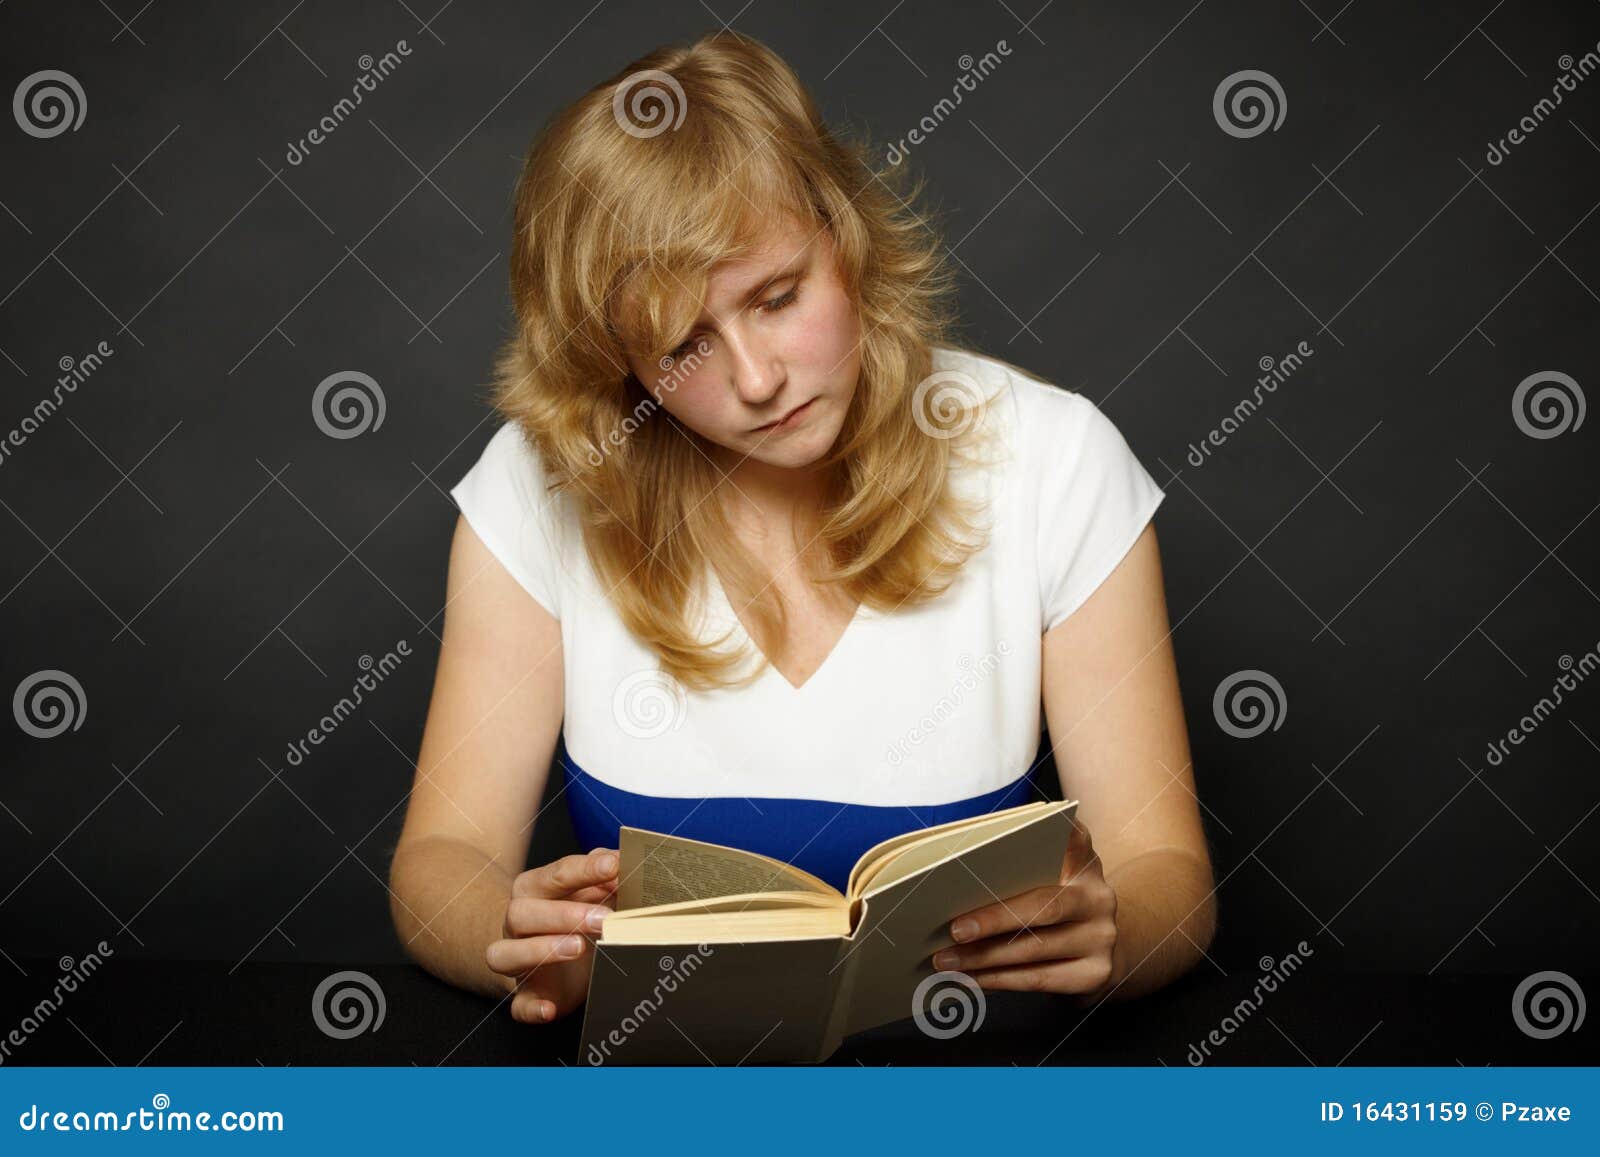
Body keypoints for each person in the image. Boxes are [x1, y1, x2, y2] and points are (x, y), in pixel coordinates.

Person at [388, 30, 1216, 1030]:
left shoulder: (1054, 458)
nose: (755, 377)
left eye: (776, 297)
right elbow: (442, 859)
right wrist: (513, 936)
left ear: (848, 237)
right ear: (617, 363)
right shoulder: (542, 488)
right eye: (681, 344)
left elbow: (1167, 875)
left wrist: (1116, 934)